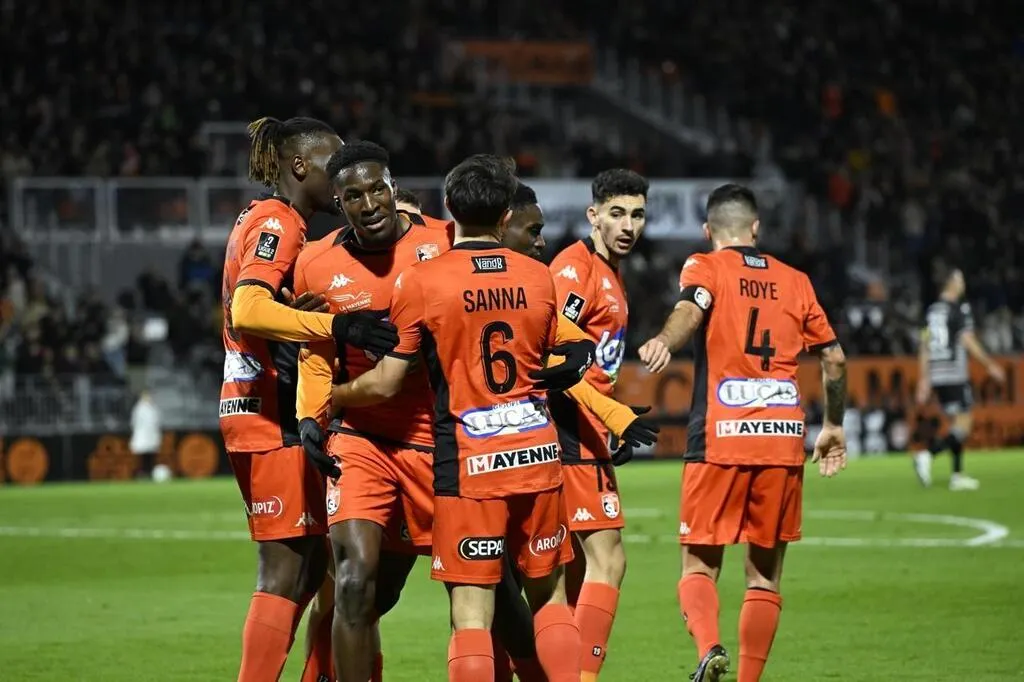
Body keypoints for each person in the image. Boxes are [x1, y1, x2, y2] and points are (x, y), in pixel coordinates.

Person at [295, 145, 556, 682]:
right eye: (353, 197)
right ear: (339, 205)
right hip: (362, 443)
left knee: (499, 600)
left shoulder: (442, 241)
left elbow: (506, 292)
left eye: (377, 190)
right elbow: (312, 350)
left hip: (441, 447)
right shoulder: (315, 264)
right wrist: (311, 414)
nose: (368, 204)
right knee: (352, 583)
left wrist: (572, 340)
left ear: (394, 188)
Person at [638, 183, 848, 682]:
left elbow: (691, 308)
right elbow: (834, 358)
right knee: (764, 577)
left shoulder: (704, 265)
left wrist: (665, 340)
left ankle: (710, 647)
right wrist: (834, 425)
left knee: (698, 568)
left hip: (719, 438)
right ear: (757, 228)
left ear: (709, 231)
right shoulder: (796, 281)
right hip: (781, 440)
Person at [221, 117, 398, 682]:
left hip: (267, 410)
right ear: (301, 167)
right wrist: (337, 329)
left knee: (323, 569)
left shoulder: (266, 217)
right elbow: (247, 309)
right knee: (287, 573)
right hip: (272, 414)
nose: (343, 174)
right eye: (333, 163)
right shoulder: (279, 222)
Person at [545, 168, 647, 681]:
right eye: (617, 213)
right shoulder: (575, 269)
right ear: (594, 215)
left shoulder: (607, 270)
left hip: (588, 430)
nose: (628, 225)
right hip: (569, 430)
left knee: (573, 569)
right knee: (609, 562)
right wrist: (603, 418)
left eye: (637, 215)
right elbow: (552, 353)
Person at [913, 267, 1006, 490]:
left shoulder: (932, 311)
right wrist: (990, 365)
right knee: (965, 423)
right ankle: (927, 455)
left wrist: (924, 379)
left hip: (937, 373)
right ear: (951, 283)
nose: (963, 283)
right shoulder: (960, 309)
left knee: (956, 423)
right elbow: (967, 340)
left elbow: (924, 346)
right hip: (953, 372)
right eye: (960, 279)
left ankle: (957, 475)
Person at [129, 389, 161, 479]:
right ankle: (140, 473)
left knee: (150, 456)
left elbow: (157, 422)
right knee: (141, 457)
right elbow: (134, 422)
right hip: (142, 435)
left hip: (151, 436)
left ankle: (149, 473)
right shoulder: (139, 408)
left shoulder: (154, 408)